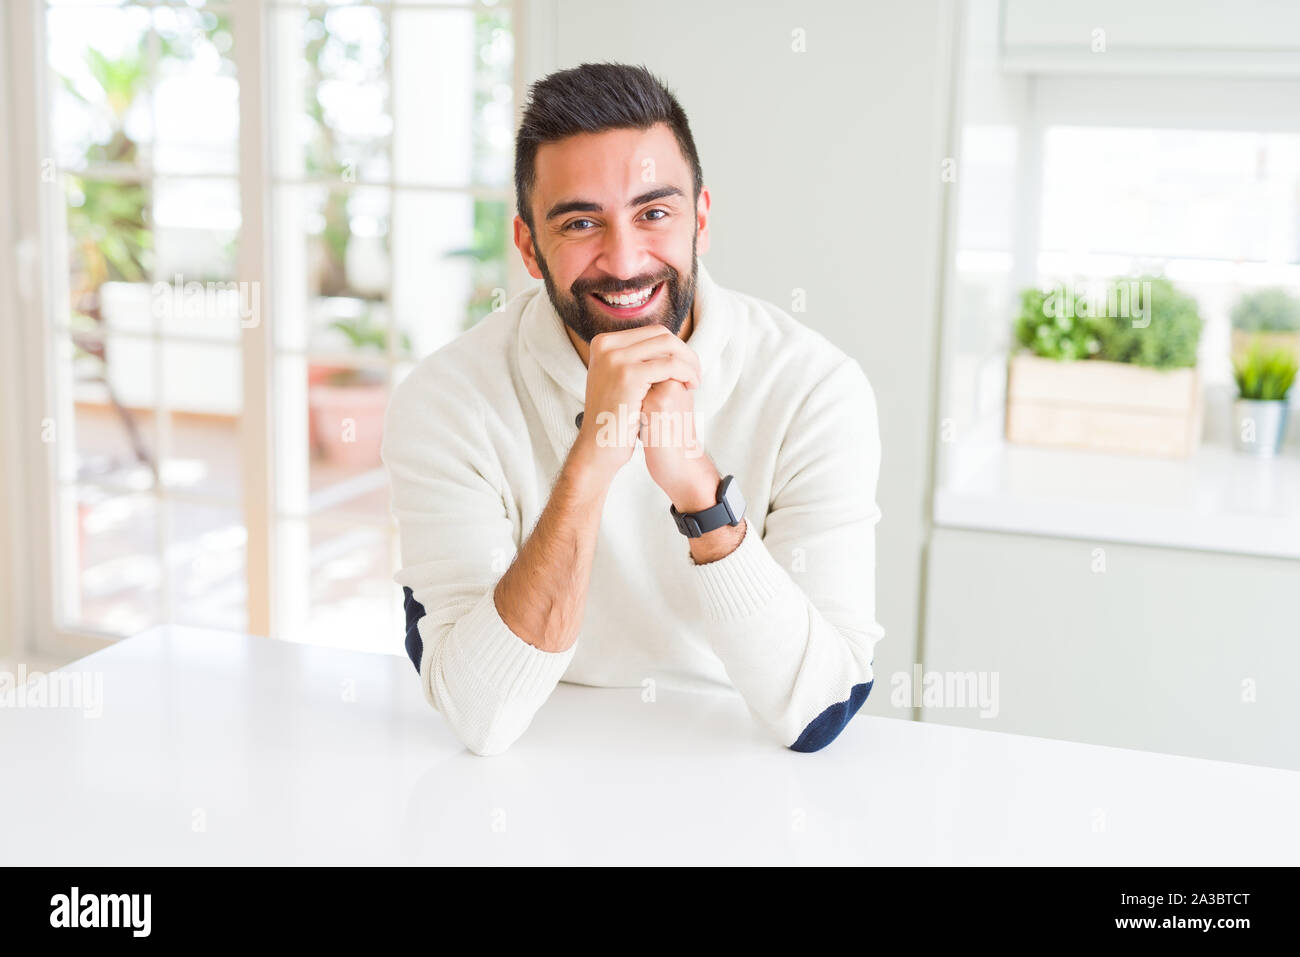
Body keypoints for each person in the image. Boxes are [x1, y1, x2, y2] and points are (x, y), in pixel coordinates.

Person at [382, 63, 884, 755]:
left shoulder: (815, 388)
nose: (623, 261)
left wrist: (700, 494)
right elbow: (480, 715)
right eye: (582, 222)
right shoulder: (445, 402)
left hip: (736, 760)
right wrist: (592, 463)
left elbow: (818, 711)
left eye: (654, 213)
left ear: (700, 219)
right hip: (531, 767)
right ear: (529, 245)